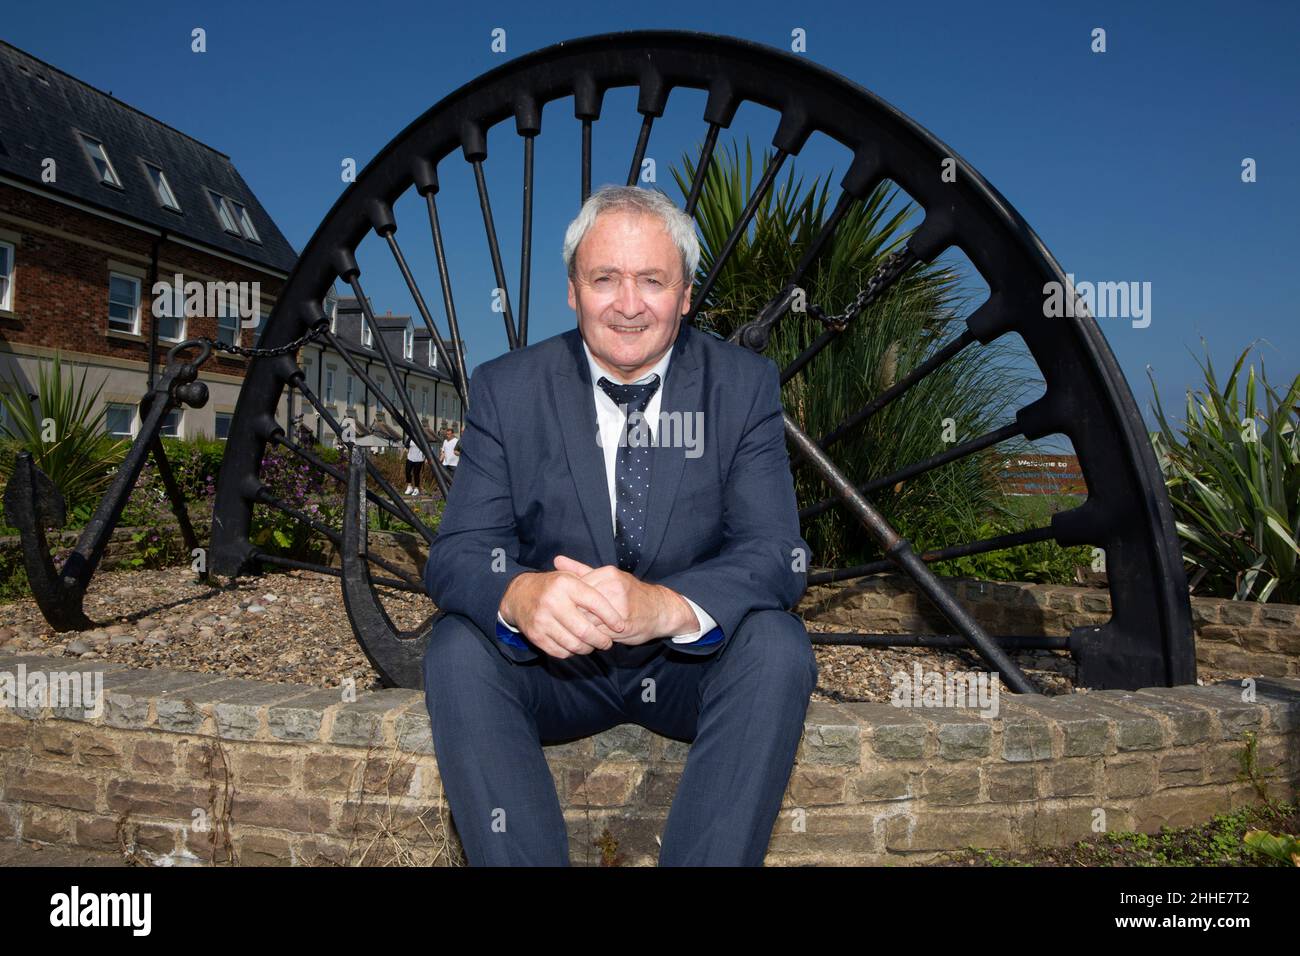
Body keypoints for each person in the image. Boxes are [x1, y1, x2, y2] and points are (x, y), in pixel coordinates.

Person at [421, 184, 815, 867]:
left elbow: (776, 552)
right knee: (457, 646)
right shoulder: (506, 387)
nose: (628, 305)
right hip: (552, 669)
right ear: (573, 290)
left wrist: (665, 607)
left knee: (778, 645)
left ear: (686, 295)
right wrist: (520, 596)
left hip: (688, 665)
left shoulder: (742, 385)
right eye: (604, 278)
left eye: (652, 281)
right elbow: (458, 552)